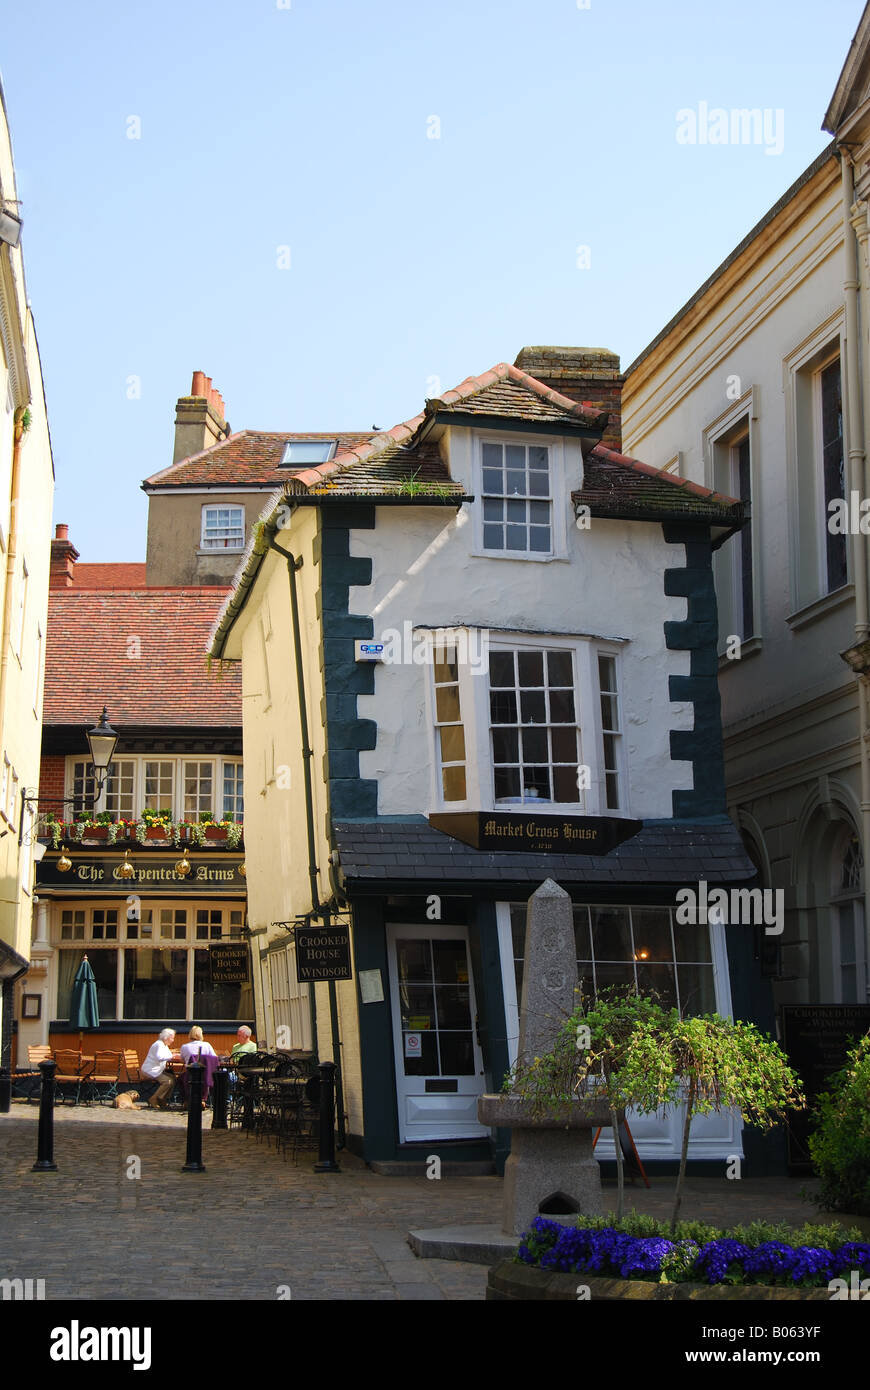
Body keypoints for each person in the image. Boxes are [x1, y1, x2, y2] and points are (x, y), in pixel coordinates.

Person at [179, 1026, 218, 1109]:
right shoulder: (207, 1045)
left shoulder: (185, 1047)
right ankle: (203, 1100)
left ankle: (186, 1100)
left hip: (190, 1075)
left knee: (180, 1078)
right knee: (206, 1076)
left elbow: (182, 1060)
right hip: (206, 1075)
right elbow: (214, 1058)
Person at [143, 1028, 180, 1109]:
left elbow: (169, 1054)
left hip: (157, 1070)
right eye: (172, 1038)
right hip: (150, 1070)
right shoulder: (158, 1044)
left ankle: (163, 1099)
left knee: (172, 1078)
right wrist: (173, 1056)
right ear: (166, 1037)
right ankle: (154, 1099)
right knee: (167, 1081)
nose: (173, 1040)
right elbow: (160, 1057)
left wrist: (174, 1054)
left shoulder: (164, 1045)